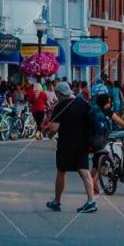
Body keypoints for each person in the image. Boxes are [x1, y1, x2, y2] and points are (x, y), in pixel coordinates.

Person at [45, 82, 98, 214]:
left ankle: (57, 202)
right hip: (83, 142)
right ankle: (91, 201)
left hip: (66, 143)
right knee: (84, 171)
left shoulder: (61, 106)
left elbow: (54, 128)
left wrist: (49, 134)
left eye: (57, 94)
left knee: (61, 171)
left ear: (59, 94)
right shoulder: (83, 103)